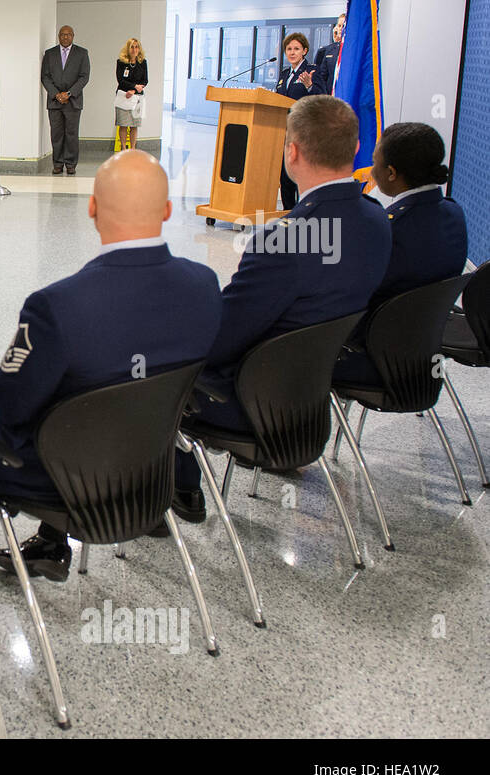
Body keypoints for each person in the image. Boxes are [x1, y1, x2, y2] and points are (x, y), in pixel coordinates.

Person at [0, 150, 222, 582]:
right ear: (168, 210)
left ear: (93, 207)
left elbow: (9, 405)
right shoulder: (204, 284)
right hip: (153, 470)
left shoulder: (58, 306)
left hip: (64, 481)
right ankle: (50, 540)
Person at [173, 95, 391, 521]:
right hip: (307, 401)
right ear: (355, 148)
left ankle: (180, 491)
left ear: (291, 152)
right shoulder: (376, 220)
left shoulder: (286, 239)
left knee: (160, 362)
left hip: (251, 401)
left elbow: (222, 338)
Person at [334, 122, 468, 386]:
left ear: (392, 173)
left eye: (375, 163)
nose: (371, 170)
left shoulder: (390, 231)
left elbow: (349, 293)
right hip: (425, 347)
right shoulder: (455, 214)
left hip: (379, 348)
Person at [275, 32, 320, 210]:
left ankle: (305, 213)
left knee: (300, 176)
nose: (292, 52)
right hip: (283, 131)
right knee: (284, 175)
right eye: (289, 49)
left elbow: (321, 97)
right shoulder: (284, 74)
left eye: (296, 49)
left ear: (305, 51)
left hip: (303, 132)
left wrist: (309, 85)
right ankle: (289, 214)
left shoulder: (312, 71)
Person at [42, 25, 91, 175]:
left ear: (73, 36)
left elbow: (84, 77)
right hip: (55, 101)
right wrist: (57, 94)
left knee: (71, 134)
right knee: (56, 134)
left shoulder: (82, 53)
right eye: (62, 34)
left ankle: (70, 164)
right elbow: (45, 76)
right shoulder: (50, 54)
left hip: (73, 101)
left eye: (68, 34)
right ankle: (57, 163)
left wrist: (69, 94)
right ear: (58, 36)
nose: (65, 37)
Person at [114, 39, 148, 151]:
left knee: (134, 124)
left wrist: (134, 90)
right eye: (132, 47)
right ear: (128, 49)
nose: (134, 49)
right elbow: (121, 80)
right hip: (123, 96)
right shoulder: (121, 62)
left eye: (137, 47)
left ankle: (132, 149)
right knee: (123, 124)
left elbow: (145, 81)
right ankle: (124, 149)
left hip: (137, 97)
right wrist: (133, 87)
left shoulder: (143, 62)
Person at [313, 13, 348, 95]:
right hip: (329, 97)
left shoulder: (352, 50)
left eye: (343, 26)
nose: (340, 29)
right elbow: (322, 77)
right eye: (339, 26)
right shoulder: (330, 50)